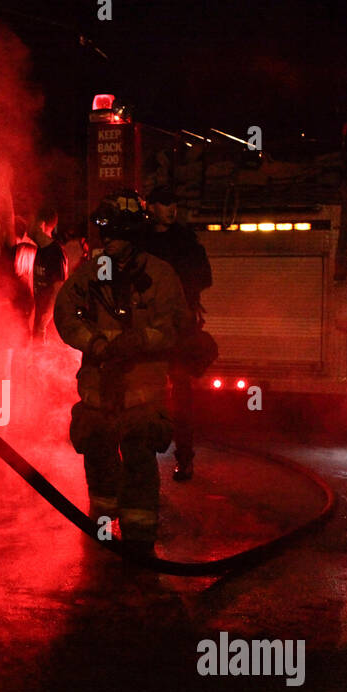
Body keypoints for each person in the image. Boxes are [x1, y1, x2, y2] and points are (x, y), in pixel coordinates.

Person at [53, 189, 192, 559]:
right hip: (99, 394)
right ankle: (100, 532)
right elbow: (65, 314)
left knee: (139, 468)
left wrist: (140, 340)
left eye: (115, 235)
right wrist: (95, 343)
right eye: (105, 235)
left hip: (141, 397)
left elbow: (176, 325)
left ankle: (140, 542)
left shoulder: (160, 276)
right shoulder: (93, 274)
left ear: (132, 235)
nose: (107, 242)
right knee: (98, 461)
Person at [142, 185, 211, 481]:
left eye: (174, 204)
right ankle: (145, 458)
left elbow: (205, 277)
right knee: (146, 394)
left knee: (181, 394)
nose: (171, 210)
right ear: (152, 207)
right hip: (150, 325)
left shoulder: (185, 241)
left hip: (179, 328)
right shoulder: (141, 241)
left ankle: (185, 458)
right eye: (165, 204)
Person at [29, 206, 67, 342]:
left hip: (48, 326)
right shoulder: (39, 249)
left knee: (43, 359)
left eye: (31, 222)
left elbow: (58, 289)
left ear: (41, 225)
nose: (29, 227)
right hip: (39, 321)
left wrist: (44, 320)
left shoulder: (54, 252)